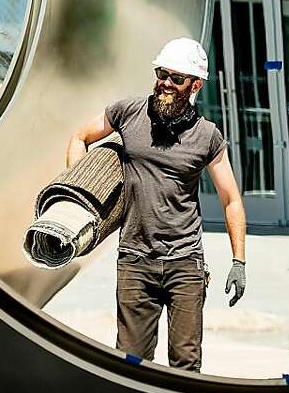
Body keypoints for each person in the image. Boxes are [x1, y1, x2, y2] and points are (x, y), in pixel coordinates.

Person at [66, 37, 246, 372]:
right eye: (162, 73)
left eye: (176, 78)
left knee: (186, 365)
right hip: (135, 261)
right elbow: (80, 137)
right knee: (130, 363)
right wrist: (77, 197)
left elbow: (231, 199)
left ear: (194, 85)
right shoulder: (128, 112)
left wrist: (239, 261)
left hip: (185, 263)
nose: (165, 83)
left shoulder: (207, 136)